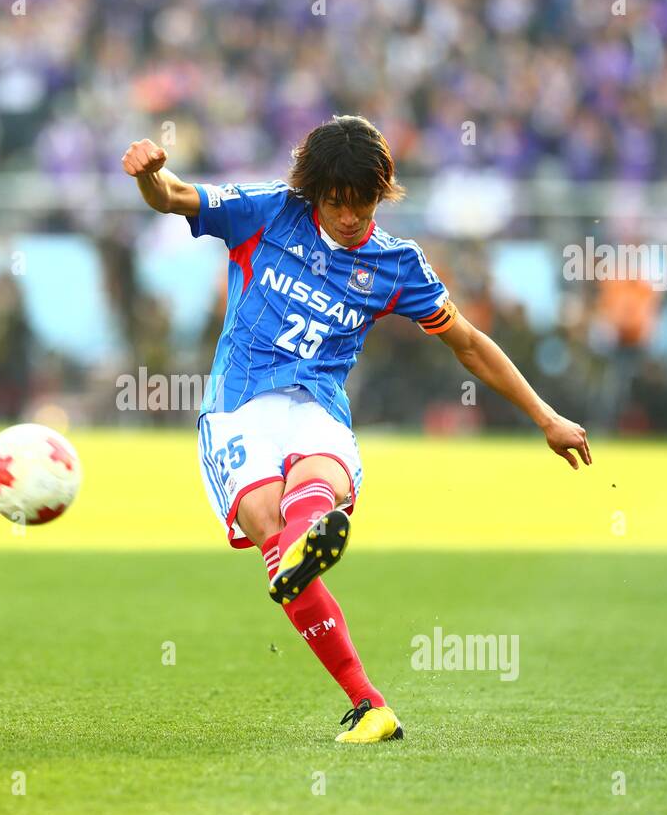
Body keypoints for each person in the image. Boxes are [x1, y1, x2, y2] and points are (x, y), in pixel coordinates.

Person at [122, 115, 591, 743]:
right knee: (269, 522)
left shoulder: (396, 265)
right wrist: (152, 175)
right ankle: (370, 704)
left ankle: (304, 537)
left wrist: (547, 417)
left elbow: (471, 346)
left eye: (363, 201)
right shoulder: (269, 212)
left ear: (382, 192)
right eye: (337, 201)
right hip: (240, 403)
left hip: (317, 404)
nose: (349, 215)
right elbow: (175, 197)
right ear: (314, 191)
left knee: (319, 483)